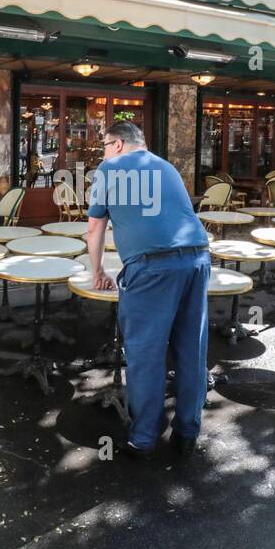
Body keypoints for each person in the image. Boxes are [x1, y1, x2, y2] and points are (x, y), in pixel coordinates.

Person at [84, 121, 211, 458]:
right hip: (197, 259)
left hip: (152, 267)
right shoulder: (167, 167)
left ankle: (143, 439)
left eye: (105, 144)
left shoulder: (108, 169)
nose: (104, 151)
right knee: (191, 350)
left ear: (119, 144)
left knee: (145, 355)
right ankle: (187, 432)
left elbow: (95, 229)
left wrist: (97, 270)